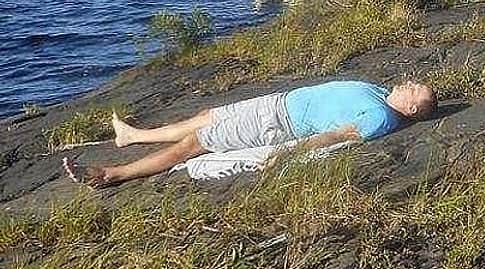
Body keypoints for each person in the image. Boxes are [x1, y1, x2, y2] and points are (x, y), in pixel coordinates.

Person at [62, 80, 438, 188]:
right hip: (278, 103)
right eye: (411, 84)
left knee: (194, 145)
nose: (407, 85)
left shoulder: (378, 117)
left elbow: (337, 136)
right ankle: (133, 136)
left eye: (412, 92)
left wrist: (288, 154)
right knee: (207, 116)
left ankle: (114, 174)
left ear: (410, 110)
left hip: (276, 122)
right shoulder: (379, 94)